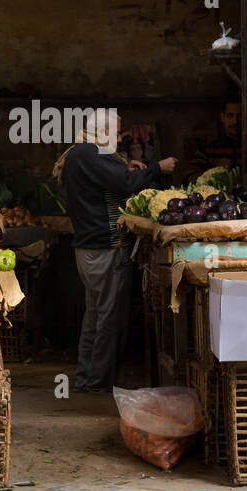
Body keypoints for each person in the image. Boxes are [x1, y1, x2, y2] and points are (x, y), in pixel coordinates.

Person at [54, 108, 177, 393]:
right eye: (117, 133)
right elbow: (125, 184)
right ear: (105, 131)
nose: (119, 140)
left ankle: (86, 378)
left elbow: (116, 181)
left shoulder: (81, 153)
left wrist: (131, 170)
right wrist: (158, 168)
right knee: (109, 320)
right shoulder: (90, 153)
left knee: (95, 316)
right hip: (103, 249)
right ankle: (97, 383)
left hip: (88, 250)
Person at [188, 99, 242, 179]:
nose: (235, 121)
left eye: (240, 116)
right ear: (222, 117)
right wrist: (215, 170)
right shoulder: (207, 149)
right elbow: (188, 178)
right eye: (230, 115)